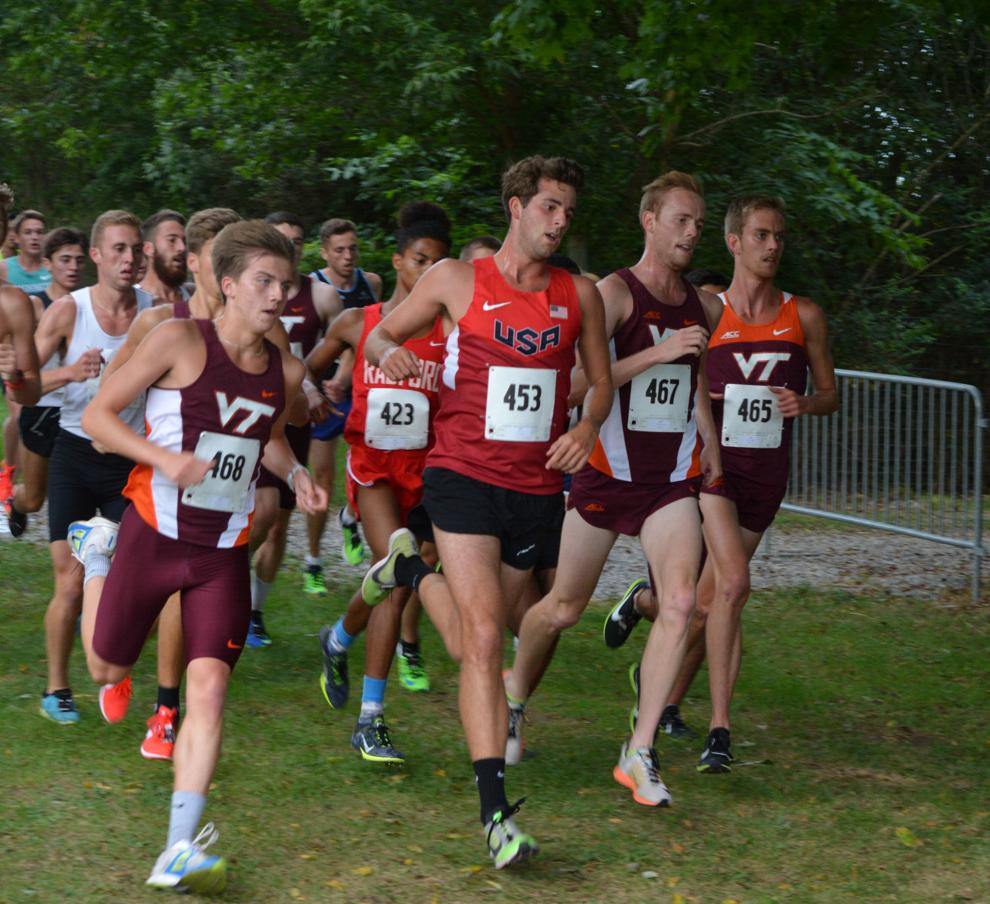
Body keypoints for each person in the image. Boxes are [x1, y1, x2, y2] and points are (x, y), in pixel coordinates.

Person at [362, 156, 613, 868]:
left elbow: (599, 385)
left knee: (482, 634)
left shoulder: (580, 294)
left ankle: (409, 570)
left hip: (535, 489)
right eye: (549, 208)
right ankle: (495, 814)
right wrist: (395, 356)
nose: (559, 222)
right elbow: (380, 335)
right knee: (481, 642)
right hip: (462, 475)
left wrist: (586, 429)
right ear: (515, 207)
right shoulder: (456, 281)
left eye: (568, 211)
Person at [72, 219, 327, 894]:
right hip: (153, 531)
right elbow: (99, 417)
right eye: (263, 281)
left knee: (208, 689)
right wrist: (162, 459)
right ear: (228, 283)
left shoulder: (286, 370)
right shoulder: (179, 339)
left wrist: (297, 474)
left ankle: (178, 845)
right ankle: (96, 554)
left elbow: (267, 436)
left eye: (287, 283)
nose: (278, 295)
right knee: (106, 664)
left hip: (223, 550)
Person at [506, 172, 723, 810]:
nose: (691, 233)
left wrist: (708, 439)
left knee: (681, 602)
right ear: (649, 220)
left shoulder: (705, 307)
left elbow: (697, 377)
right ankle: (513, 697)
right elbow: (576, 384)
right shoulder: (611, 295)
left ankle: (640, 750)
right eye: (681, 220)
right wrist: (656, 355)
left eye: (699, 225)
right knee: (564, 608)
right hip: (606, 475)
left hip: (670, 482)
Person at [605, 195, 837, 773]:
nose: (773, 246)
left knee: (707, 604)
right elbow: (671, 371)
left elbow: (832, 394)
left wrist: (804, 401)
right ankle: (720, 729)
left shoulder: (803, 314)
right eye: (761, 235)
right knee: (732, 586)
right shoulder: (708, 309)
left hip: (765, 475)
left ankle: (646, 623)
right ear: (734, 242)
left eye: (780, 236)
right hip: (711, 471)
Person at [308, 201, 461, 763]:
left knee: (389, 581)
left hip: (428, 476)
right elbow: (310, 366)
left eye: (439, 265)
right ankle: (370, 720)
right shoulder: (359, 323)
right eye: (420, 261)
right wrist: (312, 394)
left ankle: (339, 637)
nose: (429, 274)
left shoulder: (452, 335)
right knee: (397, 577)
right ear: (397, 261)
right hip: (373, 472)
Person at [92, 207, 242, 758]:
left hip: (217, 500)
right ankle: (99, 565)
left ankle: (165, 711)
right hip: (151, 482)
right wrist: (157, 445)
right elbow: (106, 407)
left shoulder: (253, 331)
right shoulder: (160, 324)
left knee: (188, 594)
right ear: (200, 263)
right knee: (110, 654)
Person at [30, 210, 152, 722]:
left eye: (135, 250)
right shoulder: (67, 311)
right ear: (98, 255)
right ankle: (58, 689)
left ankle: (111, 670)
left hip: (128, 457)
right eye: (118, 250)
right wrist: (68, 372)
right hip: (74, 452)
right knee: (71, 578)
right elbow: (24, 386)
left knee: (127, 578)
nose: (129, 259)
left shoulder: (156, 312)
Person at [246, 211, 340, 646]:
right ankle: (219, 582)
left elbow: (343, 344)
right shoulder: (254, 292)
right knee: (257, 515)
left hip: (298, 415)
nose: (291, 247)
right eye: (282, 240)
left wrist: (328, 384)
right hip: (256, 417)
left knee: (280, 523)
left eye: (298, 240)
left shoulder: (321, 296)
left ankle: (255, 612)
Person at [307, 218, 383, 580]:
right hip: (323, 395)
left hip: (362, 392)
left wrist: (345, 376)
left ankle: (350, 518)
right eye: (339, 250)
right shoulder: (313, 287)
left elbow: (373, 334)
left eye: (353, 248)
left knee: (373, 468)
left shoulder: (372, 284)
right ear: (324, 252)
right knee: (321, 476)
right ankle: (312, 561)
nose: (348, 256)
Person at [4, 227, 89, 538]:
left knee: (81, 491)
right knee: (36, 499)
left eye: (78, 260)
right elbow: (19, 368)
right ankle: (16, 501)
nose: (72, 267)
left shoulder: (89, 303)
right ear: (48, 263)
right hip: (41, 410)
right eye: (64, 259)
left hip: (81, 412)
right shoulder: (36, 306)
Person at [0, 207, 51, 504]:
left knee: (19, 415)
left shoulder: (13, 303)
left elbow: (33, 393)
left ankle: (10, 475)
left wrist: (15, 378)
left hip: (22, 355)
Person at [137, 210, 189, 305]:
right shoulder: (131, 303)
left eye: (184, 241)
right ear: (148, 249)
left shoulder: (195, 297)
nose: (182, 248)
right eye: (172, 240)